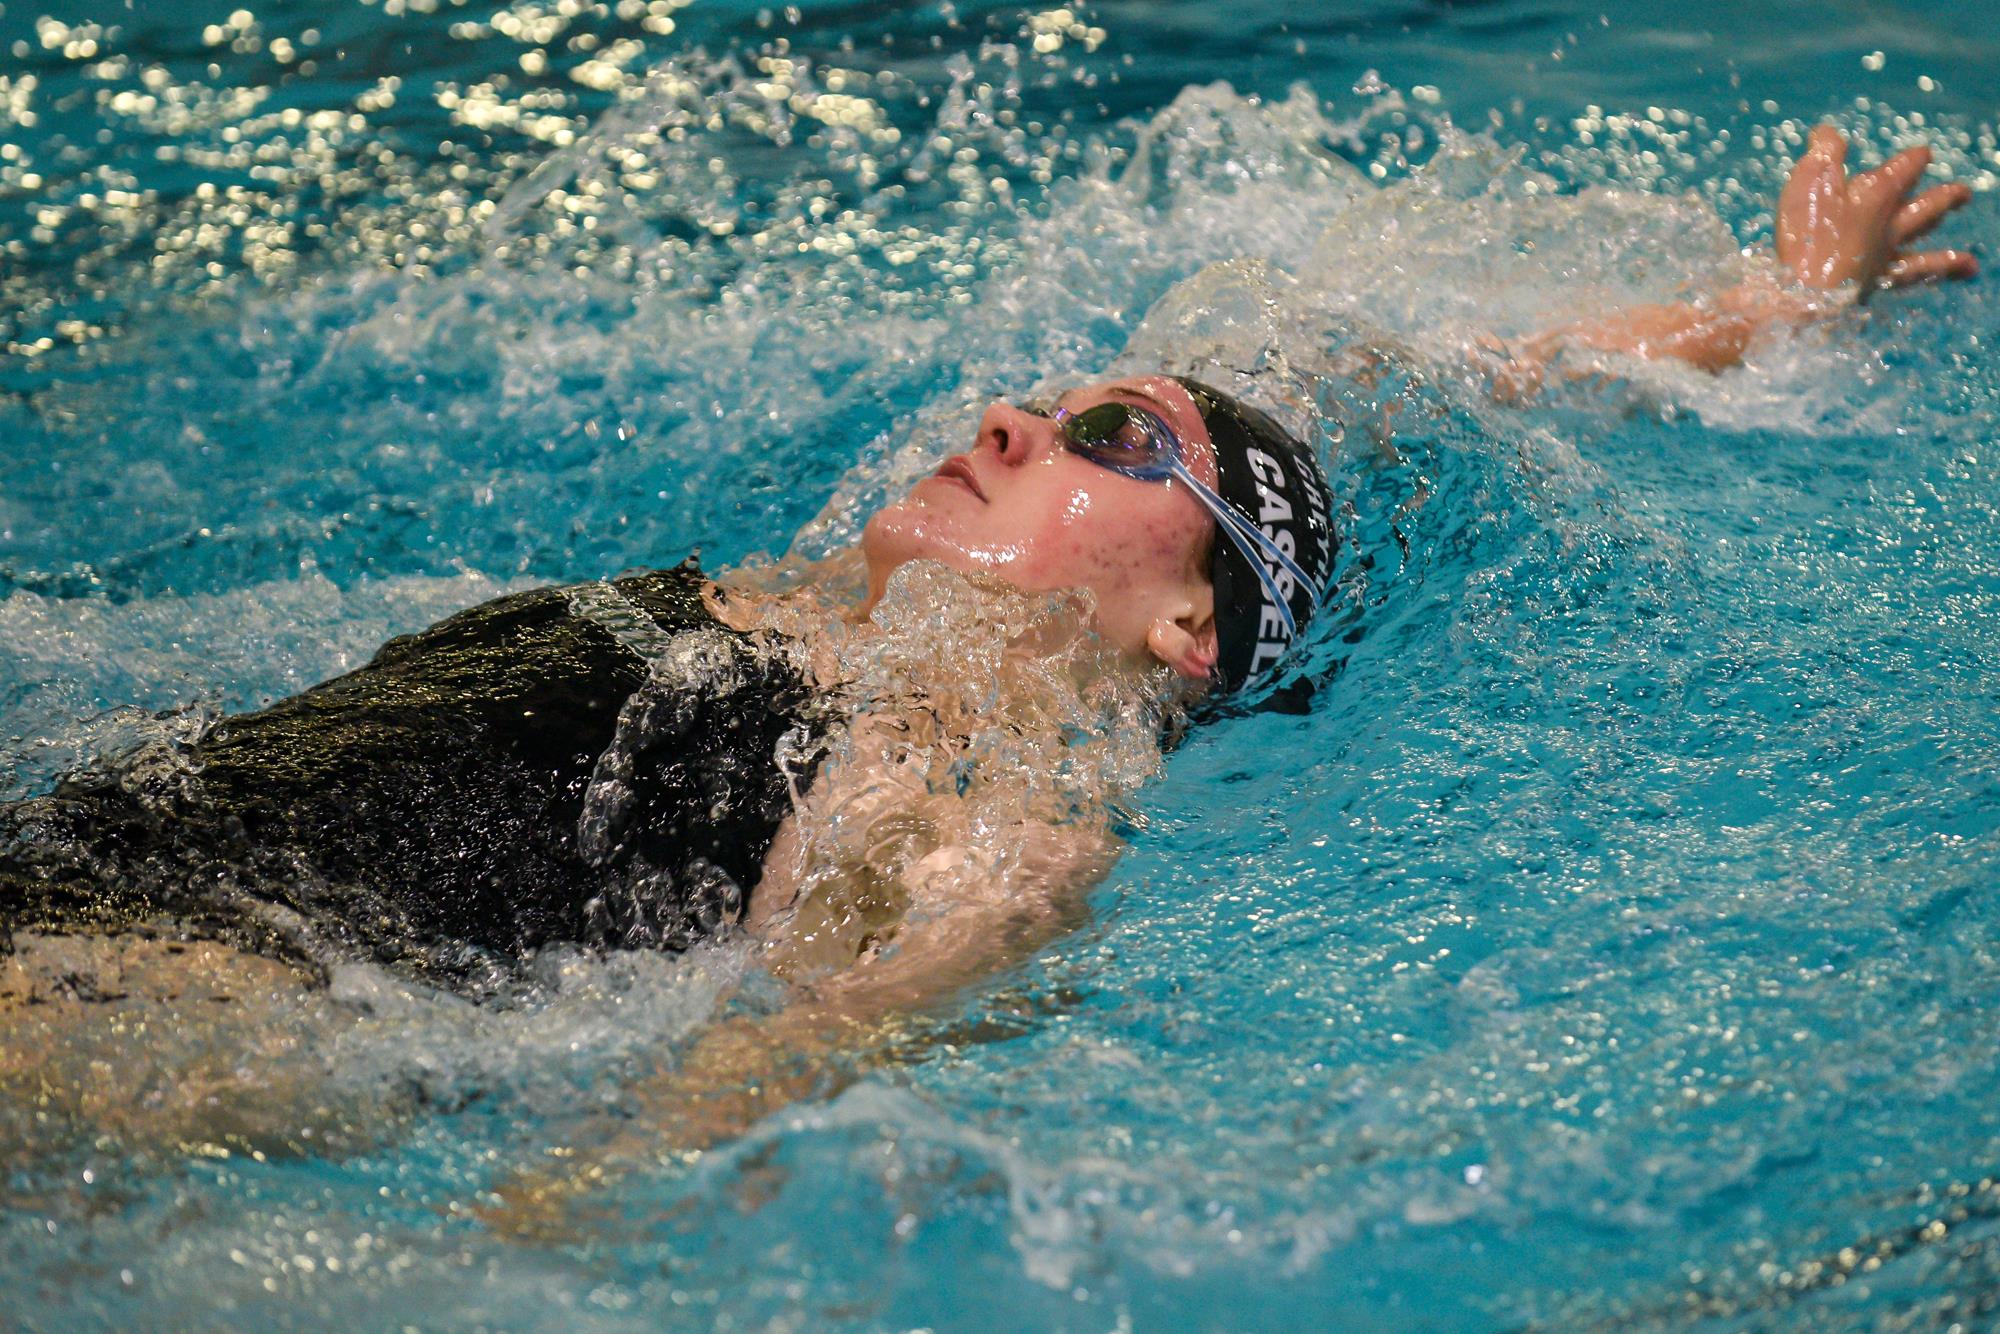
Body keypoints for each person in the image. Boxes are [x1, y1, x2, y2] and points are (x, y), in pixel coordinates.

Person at [0, 125, 1977, 1196]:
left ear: (1181, 632)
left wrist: (542, 1222)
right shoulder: (815, 609)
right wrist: (1760, 313)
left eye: (1121, 447)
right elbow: (1408, 373)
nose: (1032, 419)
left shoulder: (996, 750)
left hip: (131, 1025)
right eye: (1064, 397)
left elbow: (787, 1067)